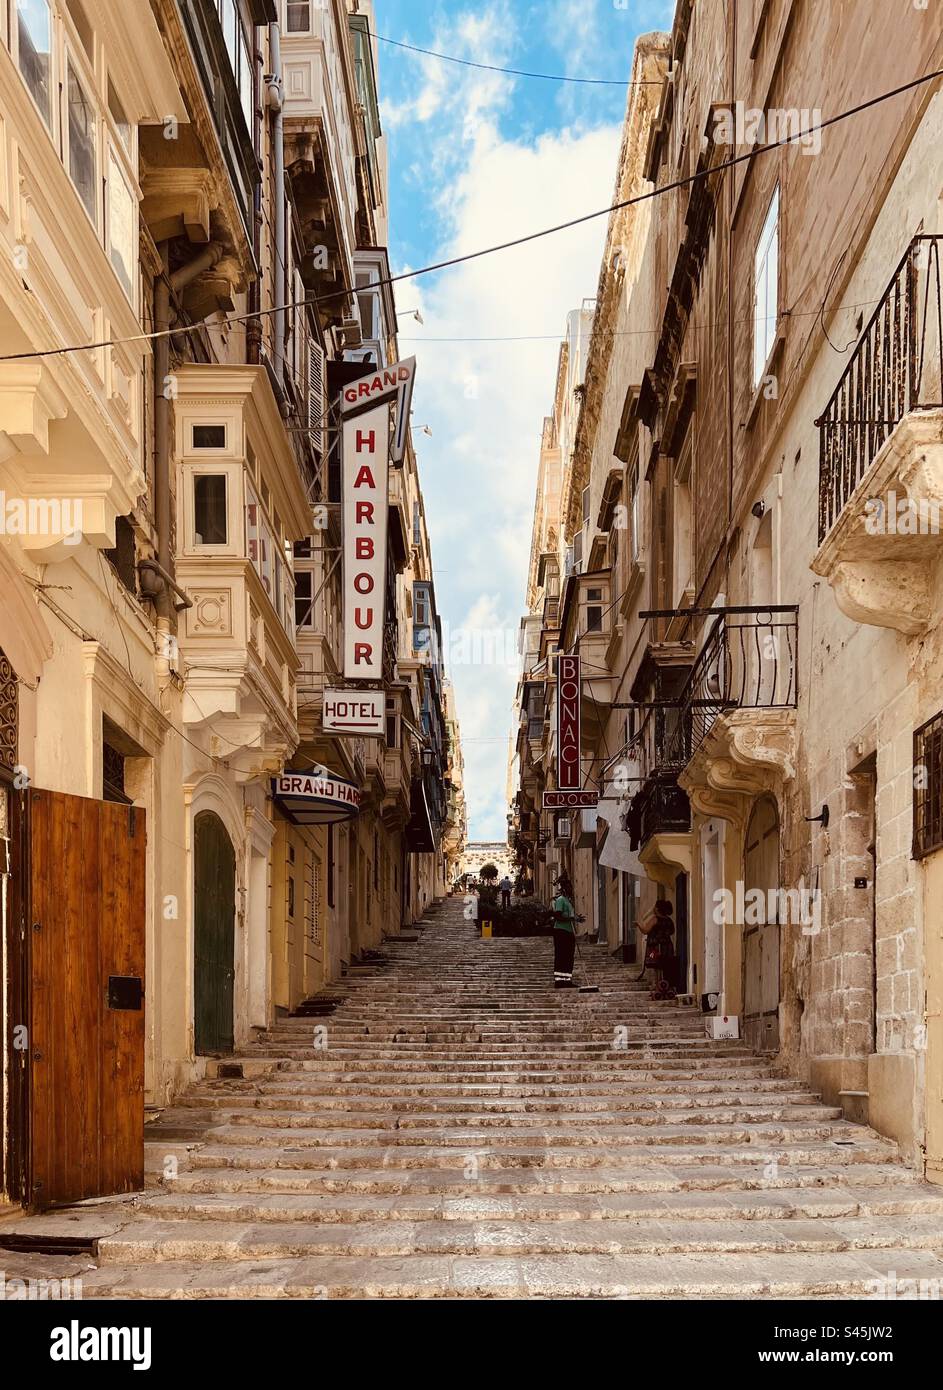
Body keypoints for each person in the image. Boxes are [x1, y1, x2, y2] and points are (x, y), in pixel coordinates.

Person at [550, 873, 577, 988]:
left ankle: (567, 980)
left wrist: (576, 918)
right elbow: (557, 916)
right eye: (570, 887)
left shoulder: (568, 901)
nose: (572, 889)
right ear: (565, 889)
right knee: (561, 955)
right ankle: (559, 981)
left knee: (569, 956)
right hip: (561, 931)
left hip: (569, 931)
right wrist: (569, 918)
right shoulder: (561, 900)